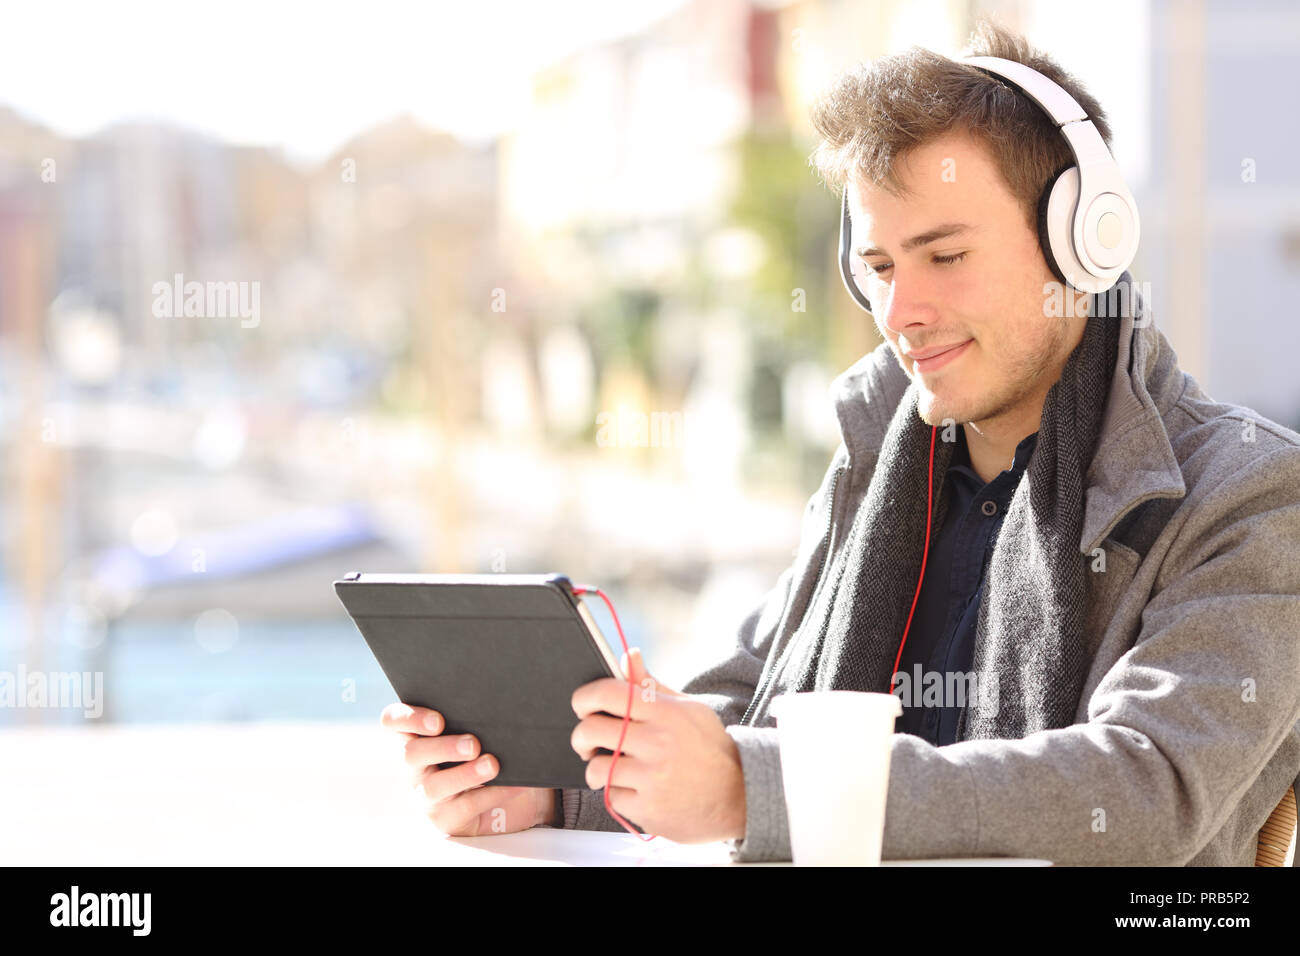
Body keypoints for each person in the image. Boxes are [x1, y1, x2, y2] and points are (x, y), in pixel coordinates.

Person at [383, 19, 1300, 865]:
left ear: (1084, 244)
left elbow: (1144, 791)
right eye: (880, 269)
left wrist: (759, 789)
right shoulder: (879, 459)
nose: (902, 314)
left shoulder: (1247, 494)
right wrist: (554, 787)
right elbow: (746, 697)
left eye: (945, 256)